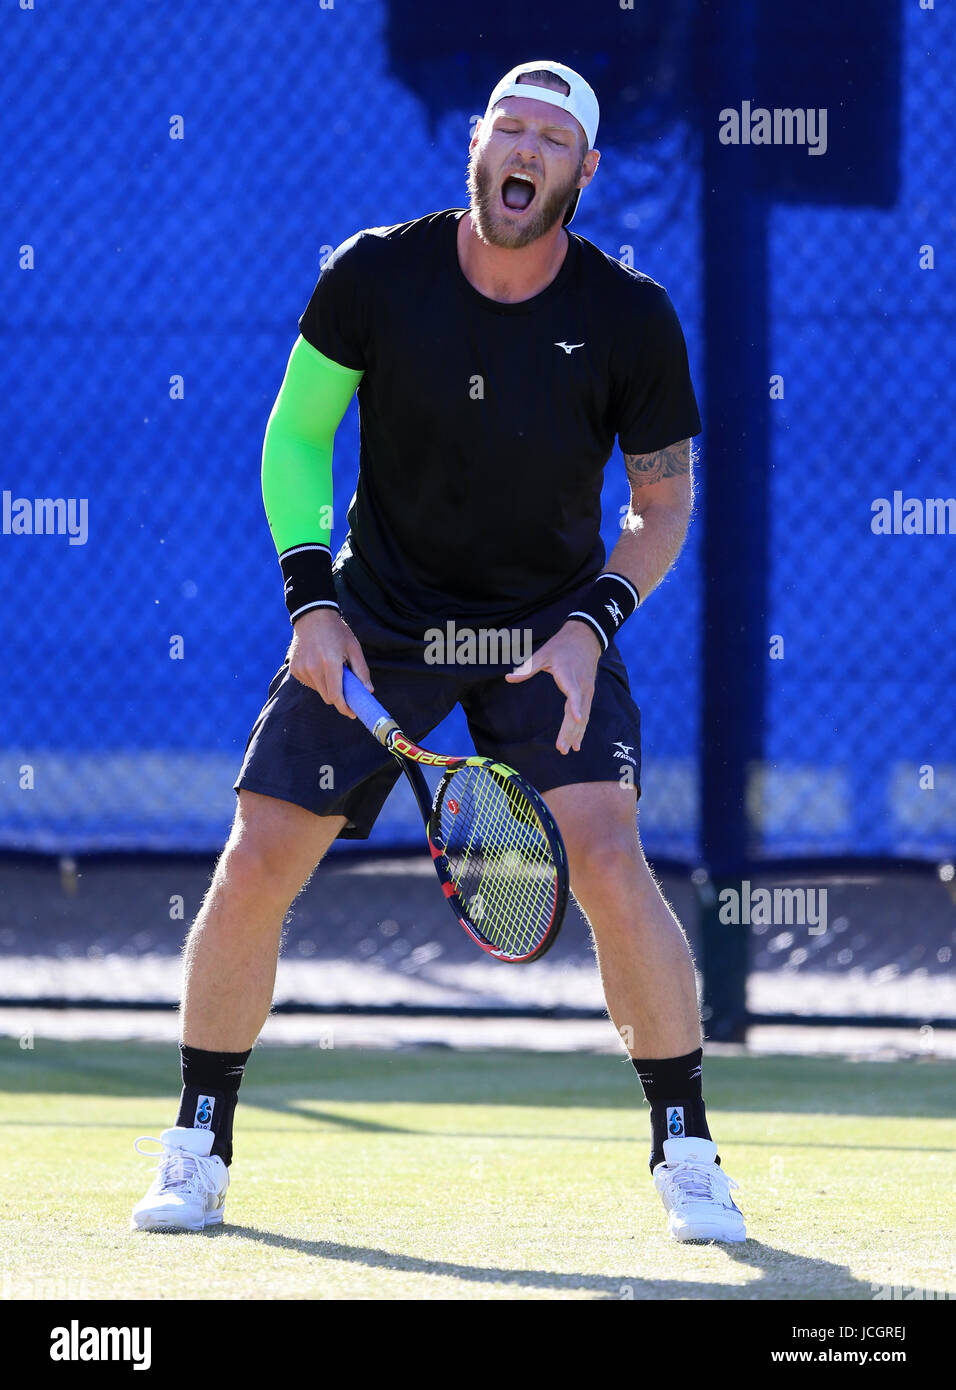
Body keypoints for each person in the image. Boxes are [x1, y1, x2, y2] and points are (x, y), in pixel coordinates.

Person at [131, 59, 745, 1244]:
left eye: (549, 139)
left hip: (547, 625)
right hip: (382, 614)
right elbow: (296, 436)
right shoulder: (374, 274)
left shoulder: (630, 315)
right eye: (505, 127)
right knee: (259, 851)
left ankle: (688, 1149)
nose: (522, 149)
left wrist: (591, 624)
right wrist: (311, 602)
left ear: (583, 172)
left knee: (611, 857)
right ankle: (198, 1141)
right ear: (476, 148)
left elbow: (660, 505)